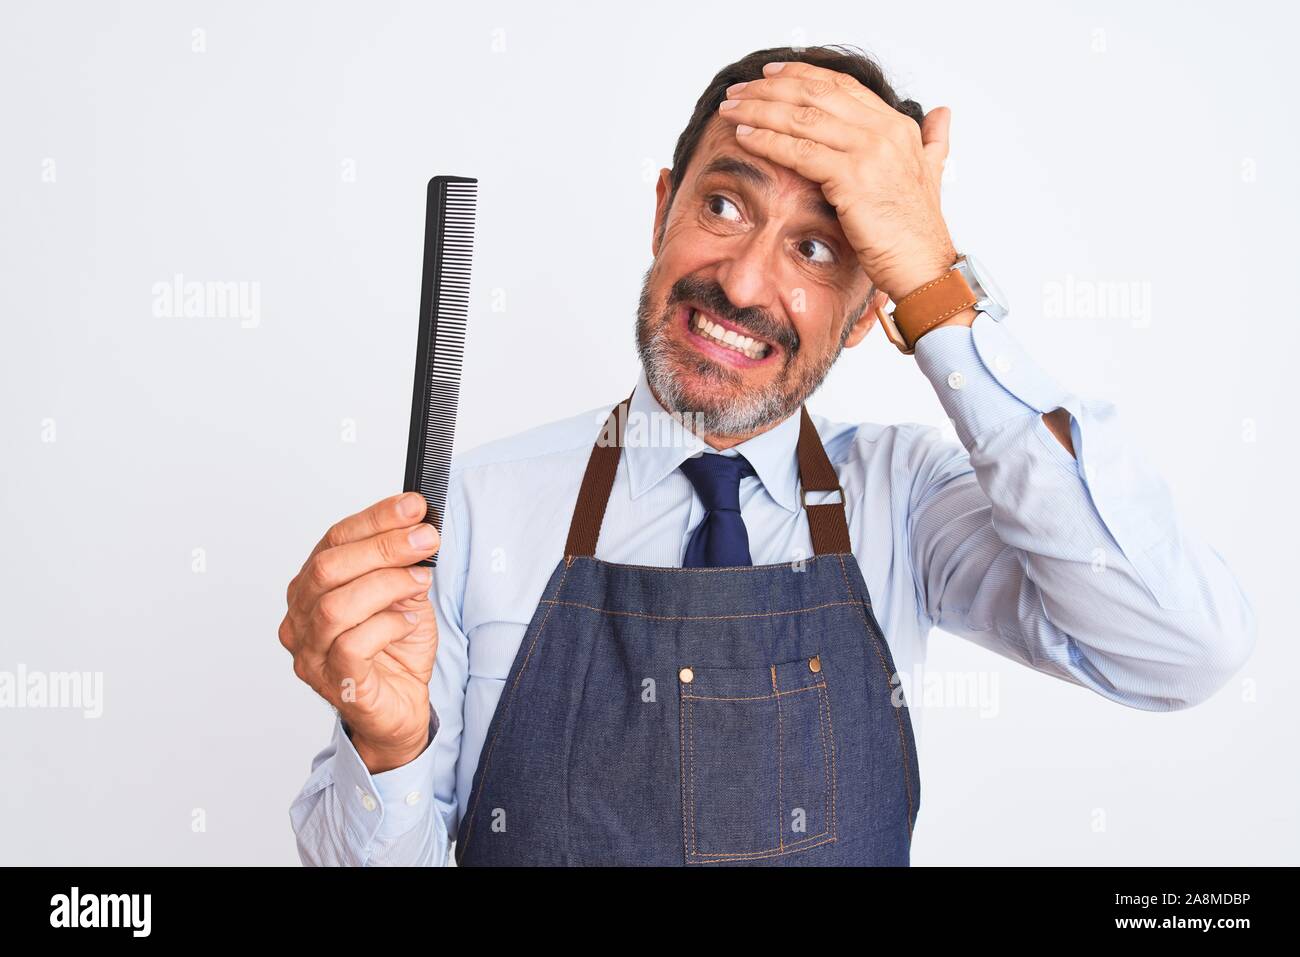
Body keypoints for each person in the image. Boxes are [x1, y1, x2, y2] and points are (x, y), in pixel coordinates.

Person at [280, 44, 1256, 866]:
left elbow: (1179, 650)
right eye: (723, 206)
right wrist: (389, 740)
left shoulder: (909, 502)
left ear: (876, 310)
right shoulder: (478, 508)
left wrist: (933, 275)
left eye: (820, 250)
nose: (743, 282)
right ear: (662, 205)